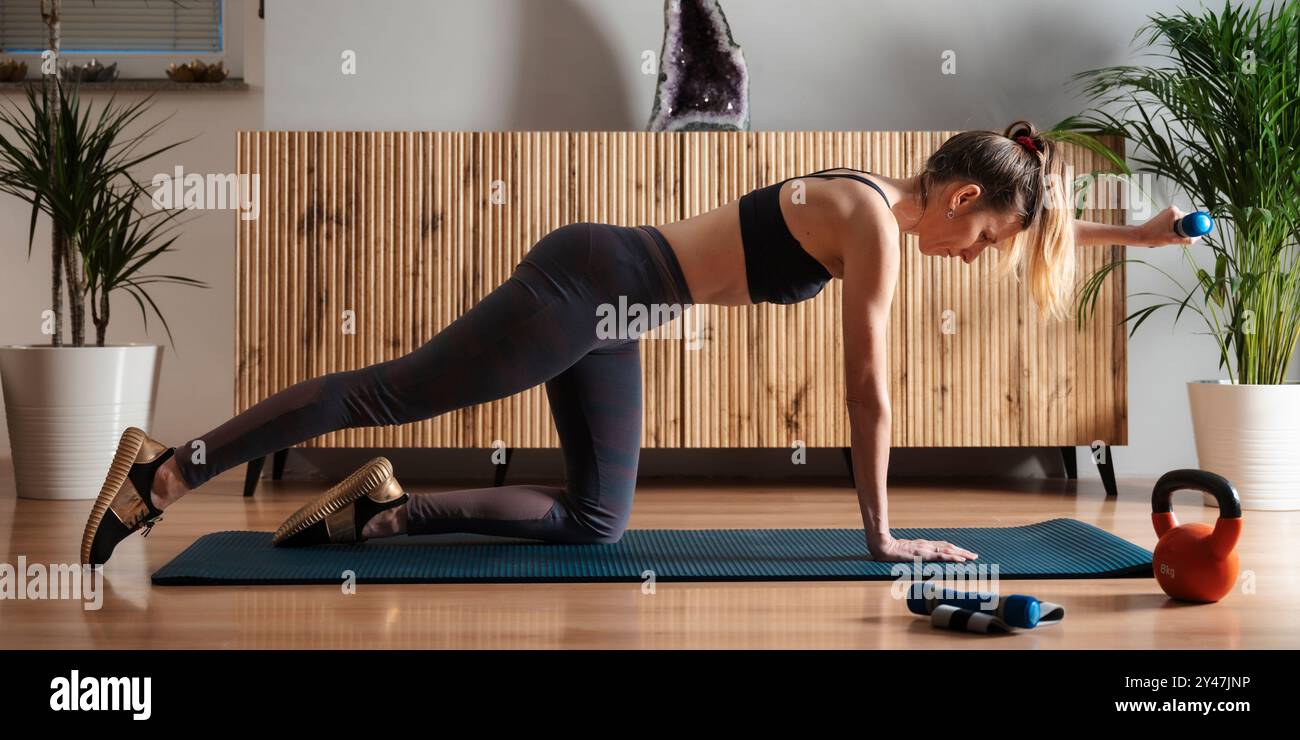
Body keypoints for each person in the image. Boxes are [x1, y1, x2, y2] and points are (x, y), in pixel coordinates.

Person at [81, 121, 1196, 568]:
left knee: (600, 519)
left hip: (619, 316)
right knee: (388, 391)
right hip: (590, 285)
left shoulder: (890, 211)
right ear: (957, 197)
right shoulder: (869, 225)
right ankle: (166, 467)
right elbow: (870, 394)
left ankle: (379, 511)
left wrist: (1125, 229)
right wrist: (883, 531)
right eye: (984, 237)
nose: (977, 257)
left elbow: (1021, 223)